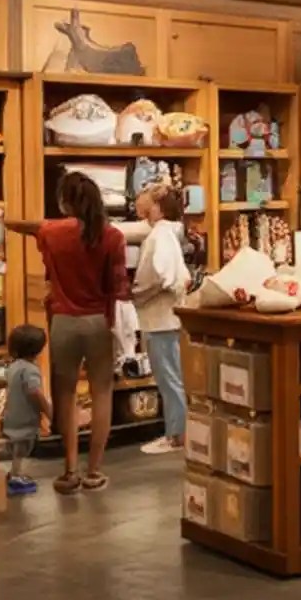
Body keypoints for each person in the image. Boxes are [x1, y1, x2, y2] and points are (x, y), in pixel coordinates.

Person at [7, 172, 128, 494]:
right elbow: (118, 287)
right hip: (99, 321)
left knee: (65, 394)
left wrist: (3, 221)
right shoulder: (112, 236)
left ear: (64, 201)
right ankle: (94, 471)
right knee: (102, 393)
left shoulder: (53, 231)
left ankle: (70, 471)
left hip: (63, 321)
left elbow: (29, 226)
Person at [122, 183, 192, 455]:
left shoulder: (159, 236)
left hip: (160, 318)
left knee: (169, 378)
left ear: (157, 207)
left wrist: (137, 293)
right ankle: (177, 432)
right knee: (171, 377)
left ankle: (177, 435)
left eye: (145, 198)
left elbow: (162, 276)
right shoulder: (165, 233)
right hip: (164, 316)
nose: (139, 201)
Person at [3, 324, 52, 496]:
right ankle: (16, 476)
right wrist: (48, 411)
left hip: (11, 414)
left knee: (16, 447)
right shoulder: (31, 370)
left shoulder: (13, 367)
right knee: (22, 448)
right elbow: (34, 392)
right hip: (25, 417)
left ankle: (14, 473)